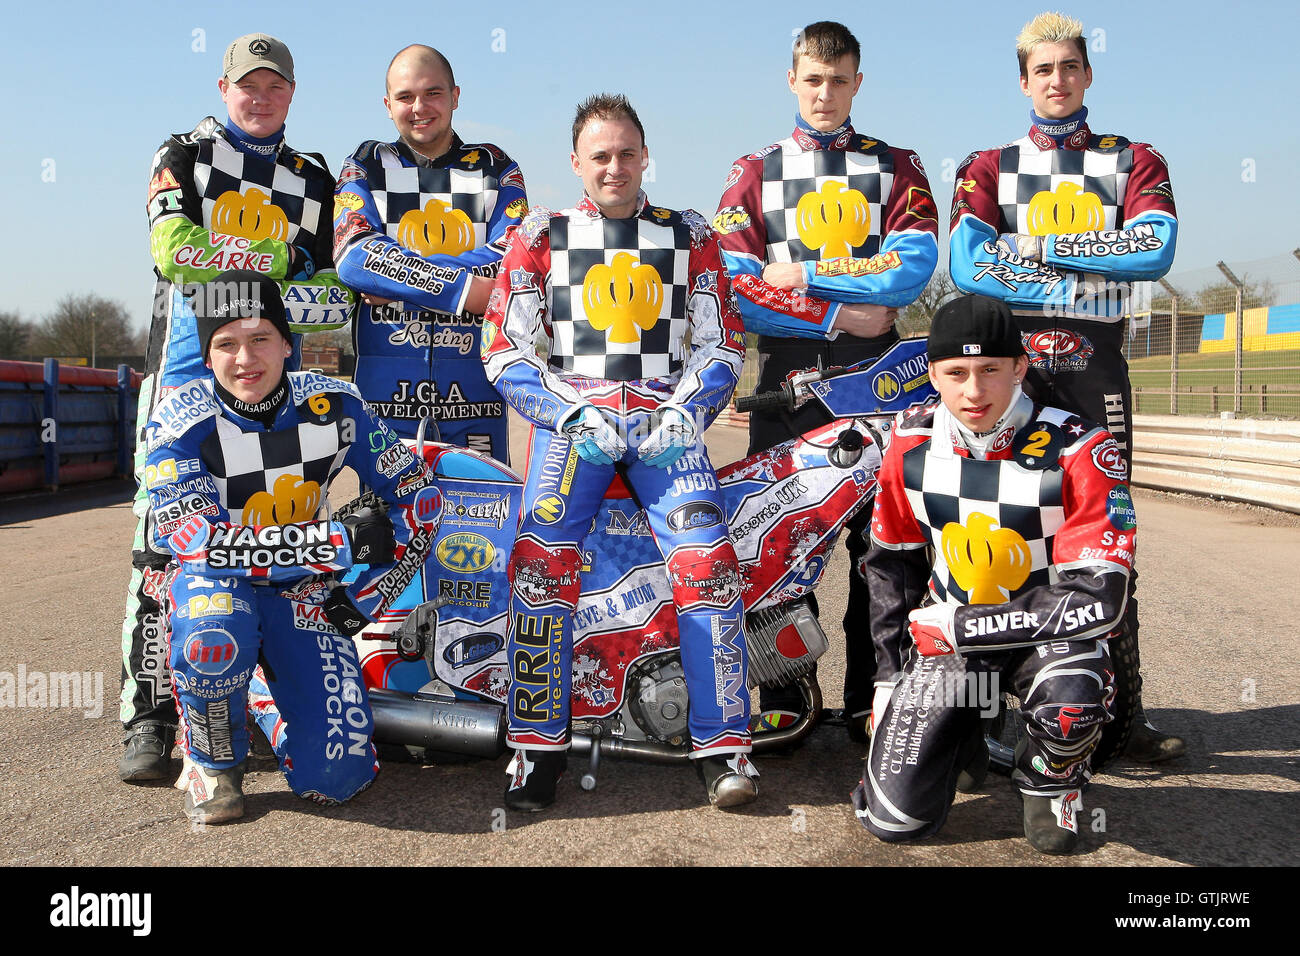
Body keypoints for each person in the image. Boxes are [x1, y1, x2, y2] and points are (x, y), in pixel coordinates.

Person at [481, 94, 757, 810]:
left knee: (709, 565)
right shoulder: (541, 232)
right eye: (599, 155)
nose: (615, 167)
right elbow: (503, 348)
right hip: (576, 420)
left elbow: (722, 343)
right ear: (576, 162)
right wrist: (567, 409)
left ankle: (723, 747)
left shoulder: (690, 233)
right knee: (541, 565)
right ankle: (536, 751)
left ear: (645, 157)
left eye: (627, 153)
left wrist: (686, 411)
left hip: (665, 419)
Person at [948, 10, 1183, 762]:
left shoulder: (1137, 158)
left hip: (1095, 367)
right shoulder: (985, 165)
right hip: (1014, 369)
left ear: (1087, 73)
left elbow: (1156, 248)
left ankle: (1121, 720)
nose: (1056, 80)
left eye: (1069, 67)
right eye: (1042, 70)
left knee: (1105, 538)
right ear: (1025, 80)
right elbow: (967, 265)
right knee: (996, 528)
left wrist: (1039, 246)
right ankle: (988, 718)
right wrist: (1092, 259)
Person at [120, 32, 355, 783]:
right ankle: (150, 717)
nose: (260, 97)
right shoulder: (183, 153)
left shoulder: (314, 176)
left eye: (275, 86)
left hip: (275, 383)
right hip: (187, 378)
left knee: (279, 535)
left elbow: (329, 288)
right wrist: (275, 258)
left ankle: (257, 699)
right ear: (223, 90)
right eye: (247, 85)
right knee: (165, 549)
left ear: (292, 93)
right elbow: (174, 249)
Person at [144, 271, 440, 823]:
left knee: (338, 779)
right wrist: (336, 544)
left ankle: (259, 693)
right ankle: (214, 762)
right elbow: (202, 545)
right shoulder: (176, 422)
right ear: (208, 358)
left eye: (260, 338)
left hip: (302, 594)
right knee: (216, 632)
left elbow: (419, 501)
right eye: (225, 344)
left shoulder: (337, 405)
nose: (245, 358)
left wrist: (365, 598)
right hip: (215, 585)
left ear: (287, 343)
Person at [713, 20, 938, 740]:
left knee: (886, 548)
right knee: (782, 540)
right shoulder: (752, 171)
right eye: (813, 78)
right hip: (789, 381)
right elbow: (736, 288)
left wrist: (804, 273)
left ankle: (878, 697)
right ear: (792, 82)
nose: (825, 93)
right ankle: (785, 695)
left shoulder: (899, 166)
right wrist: (843, 309)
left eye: (839, 80)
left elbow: (910, 270)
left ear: (858, 84)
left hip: (884, 380)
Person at [852, 293, 1130, 854]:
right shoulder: (906, 446)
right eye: (955, 373)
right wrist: (886, 677)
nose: (973, 392)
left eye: (990, 371)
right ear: (932, 373)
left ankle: (1052, 774)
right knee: (894, 822)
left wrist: (965, 626)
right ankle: (967, 738)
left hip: (1048, 645)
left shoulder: (1084, 448)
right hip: (951, 650)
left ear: (1020, 368)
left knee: (1071, 704)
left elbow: (1102, 598)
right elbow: (891, 567)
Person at [333, 44, 527, 459]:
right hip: (384, 397)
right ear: (388, 105)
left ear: (456, 96)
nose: (419, 107)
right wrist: (467, 291)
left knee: (482, 520)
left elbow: (512, 257)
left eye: (433, 93)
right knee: (381, 523)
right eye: (405, 97)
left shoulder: (496, 166)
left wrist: (397, 279)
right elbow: (353, 254)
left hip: (478, 394)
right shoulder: (365, 163)